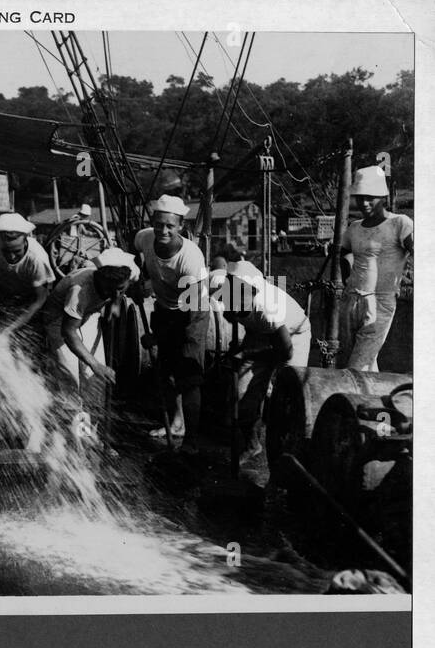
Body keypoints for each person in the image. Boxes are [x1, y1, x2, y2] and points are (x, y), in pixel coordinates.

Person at [131, 194, 211, 452]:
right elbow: (134, 252)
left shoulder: (191, 259)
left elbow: (189, 314)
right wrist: (139, 277)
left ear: (181, 227)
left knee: (188, 373)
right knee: (165, 371)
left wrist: (161, 336)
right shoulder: (144, 238)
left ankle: (192, 441)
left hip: (193, 311)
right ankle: (176, 424)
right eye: (159, 224)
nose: (163, 231)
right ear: (152, 222)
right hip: (164, 306)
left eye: (170, 226)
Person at [215, 260, 312, 461]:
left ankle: (288, 454)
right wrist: (242, 348)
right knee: (242, 394)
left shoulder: (267, 309)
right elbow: (247, 324)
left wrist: (250, 354)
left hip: (293, 335)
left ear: (254, 291)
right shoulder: (226, 296)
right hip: (262, 333)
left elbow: (285, 352)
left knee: (287, 393)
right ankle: (253, 444)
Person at [339, 165, 413, 371]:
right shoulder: (355, 227)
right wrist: (347, 277)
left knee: (356, 367)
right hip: (352, 300)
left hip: (381, 301)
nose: (364, 202)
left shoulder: (400, 223)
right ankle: (371, 402)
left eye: (370, 197)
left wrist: (410, 276)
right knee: (364, 363)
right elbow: (343, 252)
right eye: (360, 197)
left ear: (383, 197)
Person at [43, 247, 137, 393]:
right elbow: (68, 331)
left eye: (121, 289)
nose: (116, 294)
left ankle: (93, 411)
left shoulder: (130, 272)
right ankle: (70, 412)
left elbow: (121, 290)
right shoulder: (80, 290)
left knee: (93, 376)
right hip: (59, 320)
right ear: (100, 278)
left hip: (89, 313)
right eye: (110, 290)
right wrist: (95, 364)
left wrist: (115, 303)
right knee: (70, 375)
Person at [0, 210, 56, 344]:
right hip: (5, 291)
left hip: (31, 299)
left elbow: (40, 299)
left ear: (25, 240)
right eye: (6, 251)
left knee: (27, 342)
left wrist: (11, 329)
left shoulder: (37, 259)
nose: (11, 256)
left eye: (17, 251)